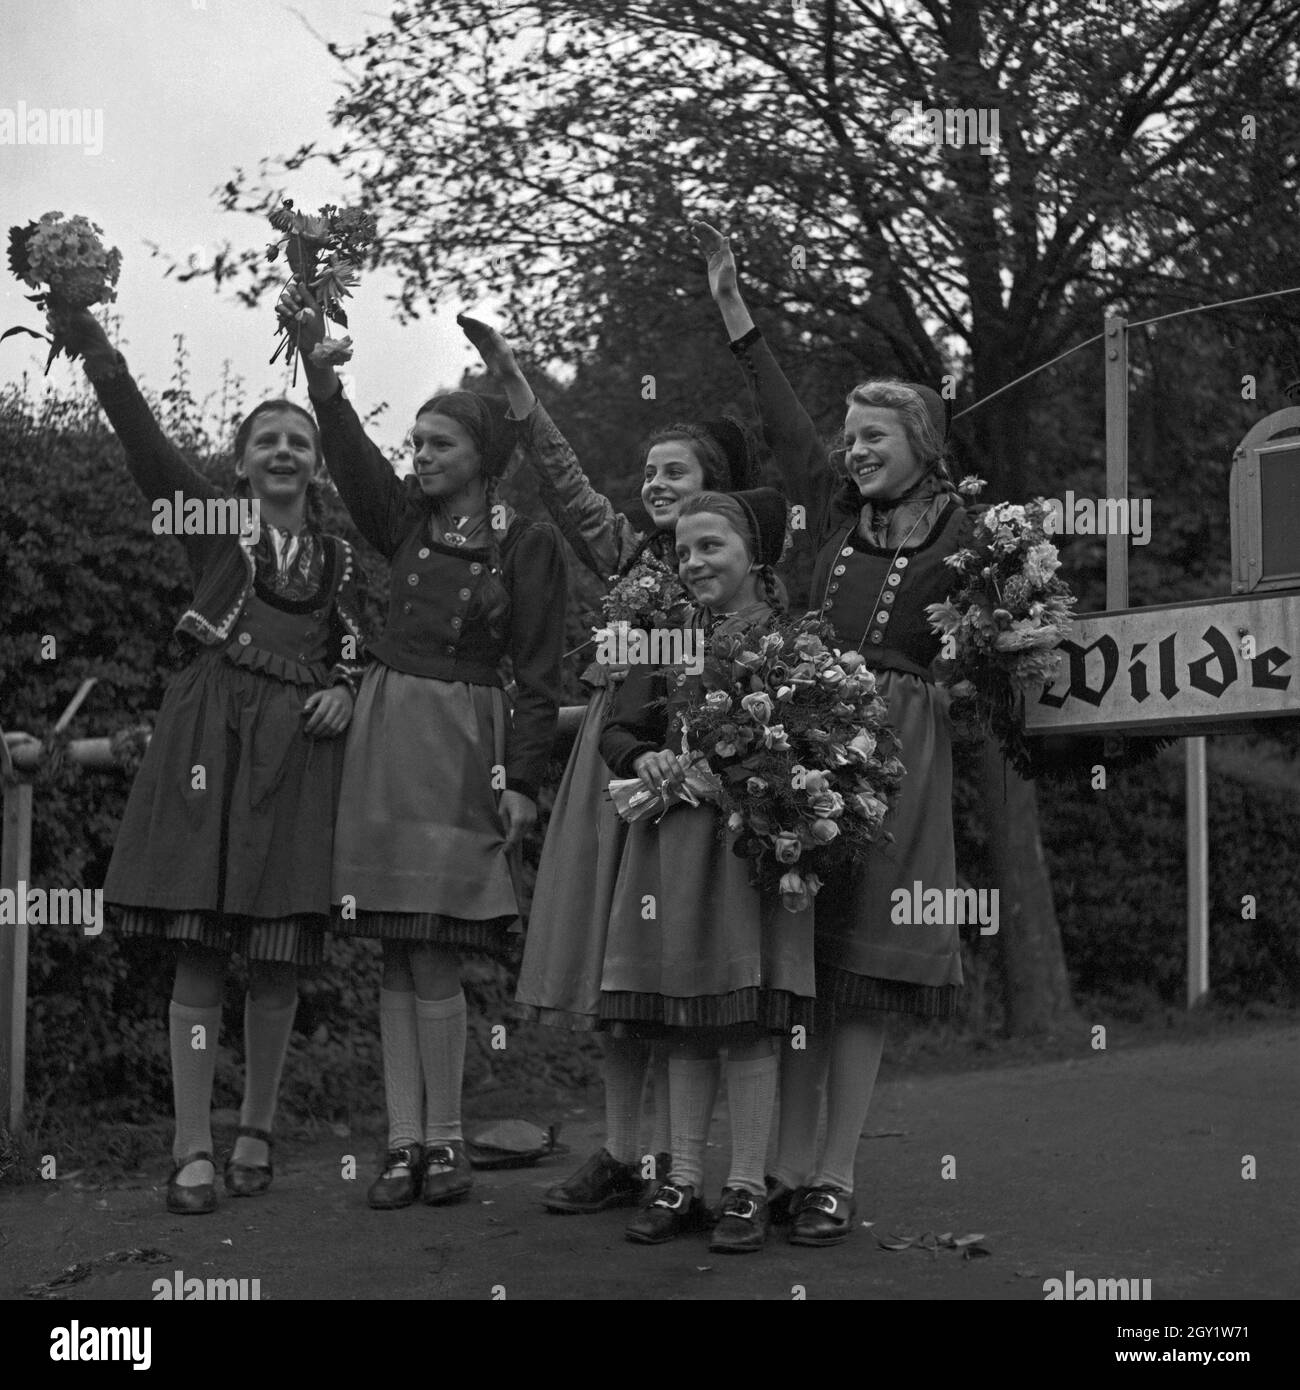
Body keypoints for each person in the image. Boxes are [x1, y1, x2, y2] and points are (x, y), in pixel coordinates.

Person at [695, 220, 968, 1246]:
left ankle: (835, 1175)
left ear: (921, 447)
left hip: (907, 754)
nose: (854, 450)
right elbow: (777, 419)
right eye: (849, 437)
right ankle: (778, 1166)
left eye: (874, 438)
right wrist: (735, 311)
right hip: (806, 743)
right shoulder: (830, 505)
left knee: (862, 979)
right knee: (799, 967)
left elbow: (1000, 651)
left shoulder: (970, 534)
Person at [61, 306, 366, 1216]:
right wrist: (106, 364)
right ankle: (191, 1145)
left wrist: (345, 689)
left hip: (295, 763)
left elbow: (363, 649)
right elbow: (148, 452)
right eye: (265, 440)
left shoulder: (342, 559)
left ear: (317, 464)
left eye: (298, 442)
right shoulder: (215, 529)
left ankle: (258, 1128)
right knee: (198, 950)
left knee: (277, 957)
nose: (283, 452)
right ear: (239, 465)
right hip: (207, 748)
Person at [460, 316, 764, 1215]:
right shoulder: (632, 559)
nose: (655, 484)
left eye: (677, 471)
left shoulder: (742, 577)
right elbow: (565, 483)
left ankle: (695, 1171)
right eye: (650, 472)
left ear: (720, 492)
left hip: (702, 783)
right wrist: (515, 383)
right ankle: (625, 1155)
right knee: (619, 978)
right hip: (616, 773)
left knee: (690, 981)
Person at [280, 284, 566, 1210]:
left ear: (485, 456)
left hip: (466, 747)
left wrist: (522, 783)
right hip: (386, 736)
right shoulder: (401, 518)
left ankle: (447, 1143)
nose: (422, 457)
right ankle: (403, 1145)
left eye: (439, 445)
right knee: (395, 950)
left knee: (437, 949)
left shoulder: (526, 544)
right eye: (417, 444)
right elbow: (355, 462)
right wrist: (325, 384)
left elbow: (540, 673)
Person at [598, 487, 812, 1253]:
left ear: (754, 556)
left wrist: (757, 767)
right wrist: (642, 753)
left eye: (711, 547)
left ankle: (747, 1188)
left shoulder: (788, 638)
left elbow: (812, 735)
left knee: (747, 1016)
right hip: (675, 843)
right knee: (684, 1015)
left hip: (750, 846)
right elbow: (620, 727)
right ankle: (682, 1178)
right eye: (684, 550)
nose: (693, 563)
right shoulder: (662, 637)